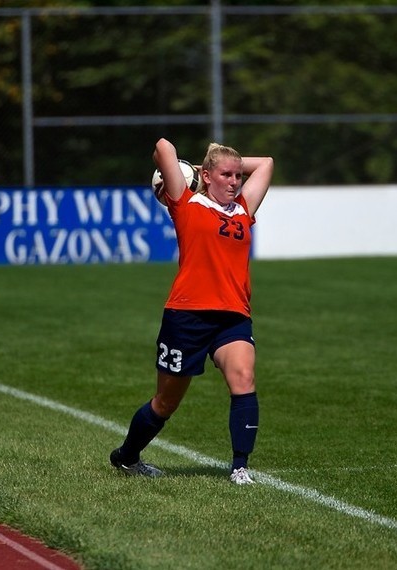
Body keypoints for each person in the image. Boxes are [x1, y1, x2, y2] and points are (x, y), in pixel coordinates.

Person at [110, 137, 274, 485]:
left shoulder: (244, 208)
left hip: (233, 315)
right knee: (165, 403)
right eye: (226, 175)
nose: (234, 181)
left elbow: (267, 163)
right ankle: (127, 457)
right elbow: (162, 146)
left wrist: (222, 160)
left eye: (237, 176)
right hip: (187, 316)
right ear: (208, 176)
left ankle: (240, 467)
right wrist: (200, 168)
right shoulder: (185, 204)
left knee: (243, 379)